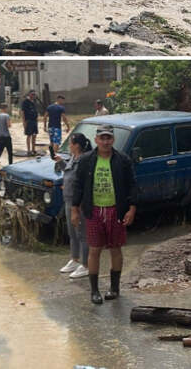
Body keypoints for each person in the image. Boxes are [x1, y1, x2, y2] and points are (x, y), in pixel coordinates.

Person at [69, 125, 137, 305]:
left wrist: (132, 208)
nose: (105, 142)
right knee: (94, 250)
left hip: (116, 210)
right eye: (102, 138)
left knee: (115, 249)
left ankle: (114, 288)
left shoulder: (122, 160)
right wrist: (74, 209)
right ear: (96, 140)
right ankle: (94, 291)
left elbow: (132, 185)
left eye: (108, 138)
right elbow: (78, 185)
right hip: (94, 210)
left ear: (113, 140)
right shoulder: (86, 160)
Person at [59, 133, 92, 279]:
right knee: (72, 232)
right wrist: (60, 162)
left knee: (82, 234)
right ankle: (75, 258)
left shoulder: (84, 161)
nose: (69, 146)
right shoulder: (73, 158)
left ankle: (86, 265)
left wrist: (79, 205)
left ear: (77, 145)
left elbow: (82, 182)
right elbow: (69, 172)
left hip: (79, 202)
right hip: (68, 199)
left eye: (71, 144)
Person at [21, 90, 40, 157]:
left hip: (34, 121)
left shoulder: (34, 102)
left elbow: (35, 111)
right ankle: (29, 151)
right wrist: (24, 122)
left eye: (34, 94)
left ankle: (33, 150)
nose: (33, 96)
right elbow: (23, 112)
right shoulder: (25, 102)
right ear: (29, 94)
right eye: (32, 94)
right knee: (29, 135)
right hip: (28, 121)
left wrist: (37, 120)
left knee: (34, 135)